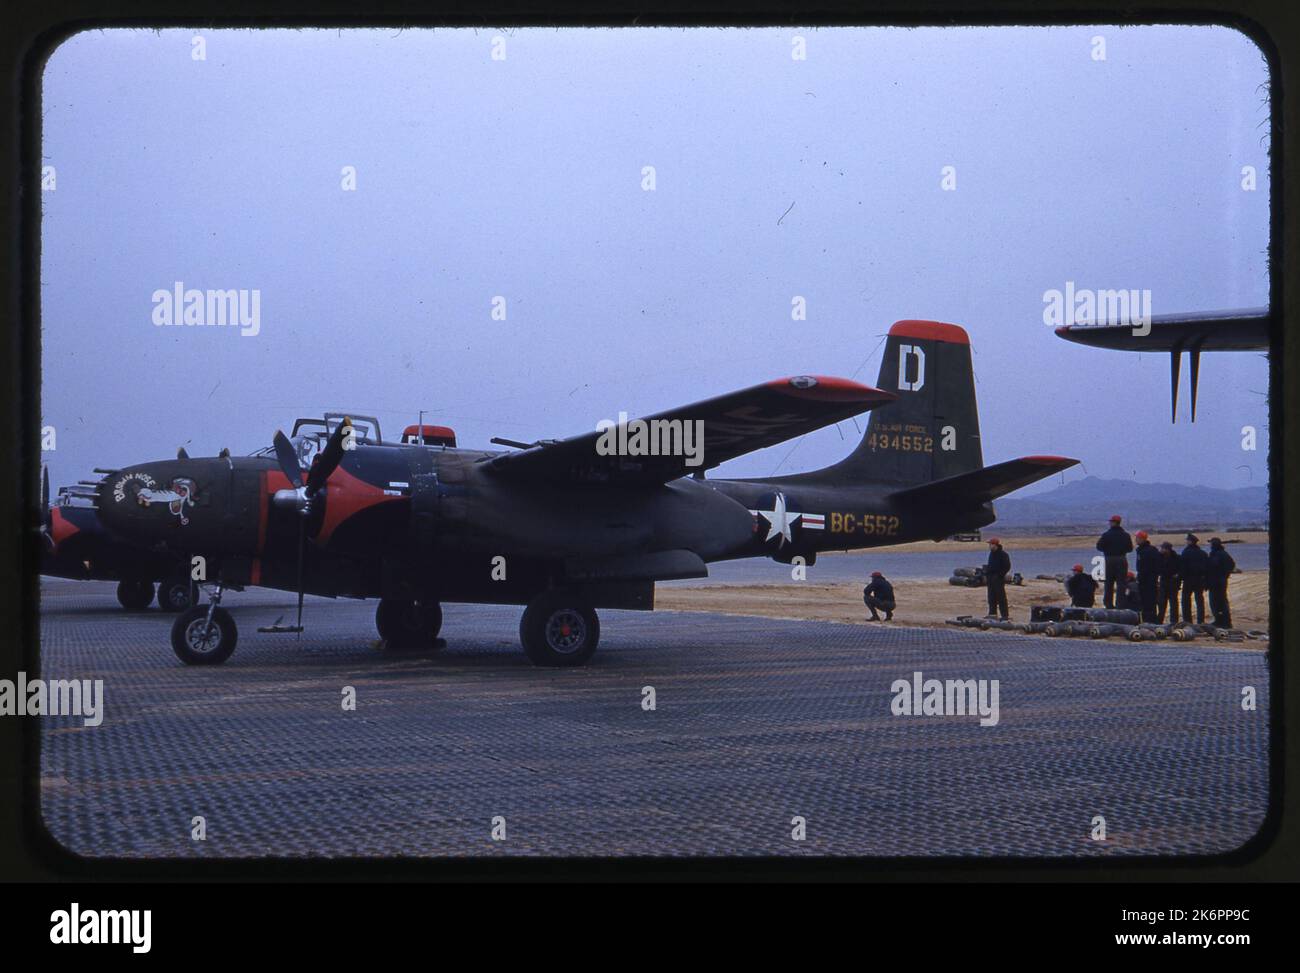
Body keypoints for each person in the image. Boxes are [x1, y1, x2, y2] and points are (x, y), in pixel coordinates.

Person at [1096, 514, 1133, 609]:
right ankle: (1120, 604)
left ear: (1112, 522)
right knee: (1121, 583)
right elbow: (1130, 549)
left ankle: (1108, 604)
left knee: (1108, 582)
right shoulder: (1125, 535)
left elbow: (1099, 547)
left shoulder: (1106, 535)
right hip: (1121, 559)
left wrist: (1108, 549)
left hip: (1109, 559)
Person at [1206, 537, 1236, 628]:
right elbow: (1231, 564)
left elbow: (1213, 566)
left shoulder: (1218, 554)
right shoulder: (1222, 553)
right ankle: (1220, 620)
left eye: (1211, 543)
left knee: (1219, 602)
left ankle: (1224, 622)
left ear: (1214, 545)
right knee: (1218, 602)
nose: (1210, 545)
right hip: (1219, 581)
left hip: (1217, 582)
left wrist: (1223, 574)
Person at [1179, 533, 1209, 625]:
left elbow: (1182, 567)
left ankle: (1187, 620)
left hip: (1188, 579)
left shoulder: (1186, 552)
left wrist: (1181, 578)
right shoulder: (1202, 553)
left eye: (1187, 540)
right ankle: (1201, 620)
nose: (1186, 542)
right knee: (1199, 600)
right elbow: (1207, 567)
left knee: (1186, 600)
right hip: (1200, 579)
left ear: (1190, 542)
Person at [1133, 530, 1161, 623]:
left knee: (1148, 601)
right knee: (1147, 602)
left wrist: (1143, 577)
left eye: (1137, 538)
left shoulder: (1147, 551)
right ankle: (1148, 619)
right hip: (1147, 579)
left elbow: (1148, 567)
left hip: (1148, 580)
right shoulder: (1144, 550)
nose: (1135, 540)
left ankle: (1150, 620)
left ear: (1141, 539)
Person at [984, 537, 1011, 621]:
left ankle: (1005, 615)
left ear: (995, 545)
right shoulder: (991, 554)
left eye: (991, 544)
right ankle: (992, 614)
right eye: (989, 544)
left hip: (998, 578)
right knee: (991, 597)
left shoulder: (1003, 554)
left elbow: (1007, 566)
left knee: (1001, 597)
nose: (989, 546)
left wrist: (1000, 575)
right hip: (990, 578)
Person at [1156, 541, 1181, 624]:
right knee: (1162, 602)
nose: (1161, 550)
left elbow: (1180, 569)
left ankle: (1174, 621)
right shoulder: (1160, 557)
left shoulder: (1176, 558)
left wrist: (1177, 576)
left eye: (1163, 548)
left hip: (1172, 582)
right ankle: (1160, 620)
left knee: (1173, 602)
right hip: (1164, 581)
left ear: (1167, 549)